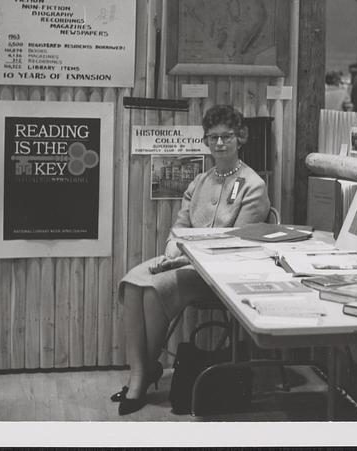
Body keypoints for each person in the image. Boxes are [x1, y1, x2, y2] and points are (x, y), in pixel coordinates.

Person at [114, 105, 271, 415]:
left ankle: (140, 378)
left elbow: (236, 244)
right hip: (185, 262)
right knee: (133, 281)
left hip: (222, 273)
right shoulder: (200, 181)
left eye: (227, 137)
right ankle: (143, 370)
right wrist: (172, 252)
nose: (220, 144)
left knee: (154, 288)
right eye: (213, 138)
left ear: (240, 139)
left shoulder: (253, 185)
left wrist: (181, 260)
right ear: (206, 141)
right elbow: (180, 226)